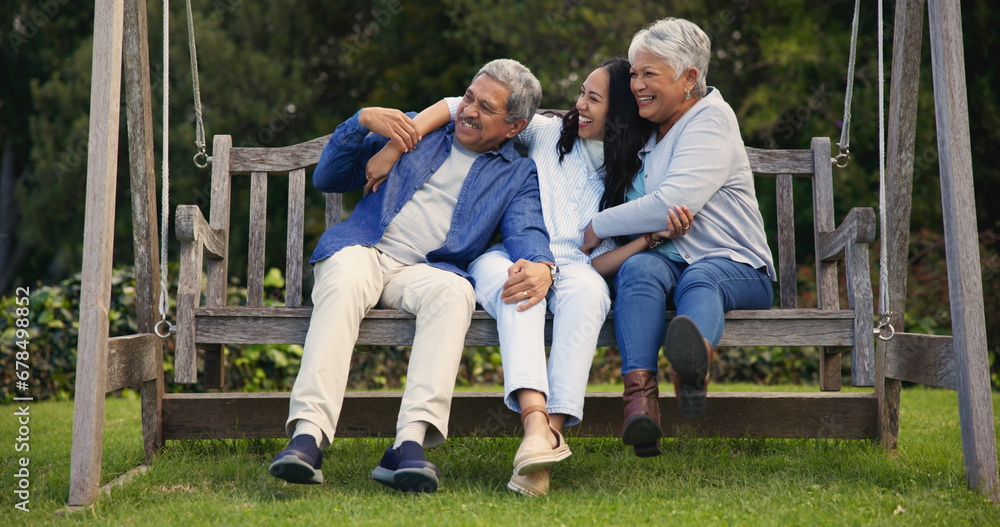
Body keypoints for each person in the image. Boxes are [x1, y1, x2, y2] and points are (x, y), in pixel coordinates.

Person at [368, 58, 693, 495]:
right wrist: (394, 146)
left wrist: (646, 240)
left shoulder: (634, 170)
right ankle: (536, 422)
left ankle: (542, 439)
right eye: (580, 93)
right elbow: (453, 104)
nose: (578, 105)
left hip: (576, 269)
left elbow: (596, 263)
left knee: (590, 295)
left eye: (593, 99)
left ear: (619, 114)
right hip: (509, 255)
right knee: (518, 288)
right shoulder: (547, 131)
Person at [267, 59, 555, 494]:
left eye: (485, 107)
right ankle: (307, 437)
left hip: (424, 271)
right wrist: (360, 120)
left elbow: (526, 228)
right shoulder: (415, 133)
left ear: (514, 127)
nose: (469, 111)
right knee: (344, 273)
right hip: (366, 249)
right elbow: (329, 177)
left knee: (457, 290)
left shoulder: (516, 173)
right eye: (469, 98)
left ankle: (408, 445)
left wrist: (540, 263)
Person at [580, 18, 776, 457]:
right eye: (634, 73)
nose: (637, 84)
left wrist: (598, 226)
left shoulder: (710, 119)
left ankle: (692, 366)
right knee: (638, 269)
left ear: (690, 78)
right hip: (668, 260)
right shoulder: (652, 127)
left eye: (650, 73)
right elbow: (581, 119)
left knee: (701, 279)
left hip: (735, 266)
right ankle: (640, 404)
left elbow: (673, 200)